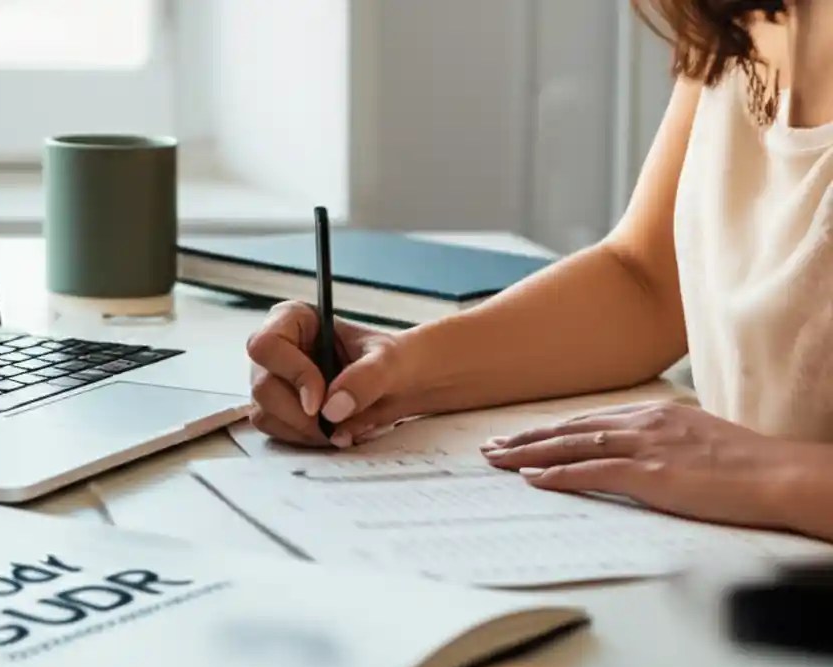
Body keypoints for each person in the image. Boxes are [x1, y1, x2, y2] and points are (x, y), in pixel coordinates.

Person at [246, 0, 833, 541]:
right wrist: (399, 370)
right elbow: (648, 284)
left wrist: (773, 473)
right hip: (732, 560)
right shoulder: (730, 17)